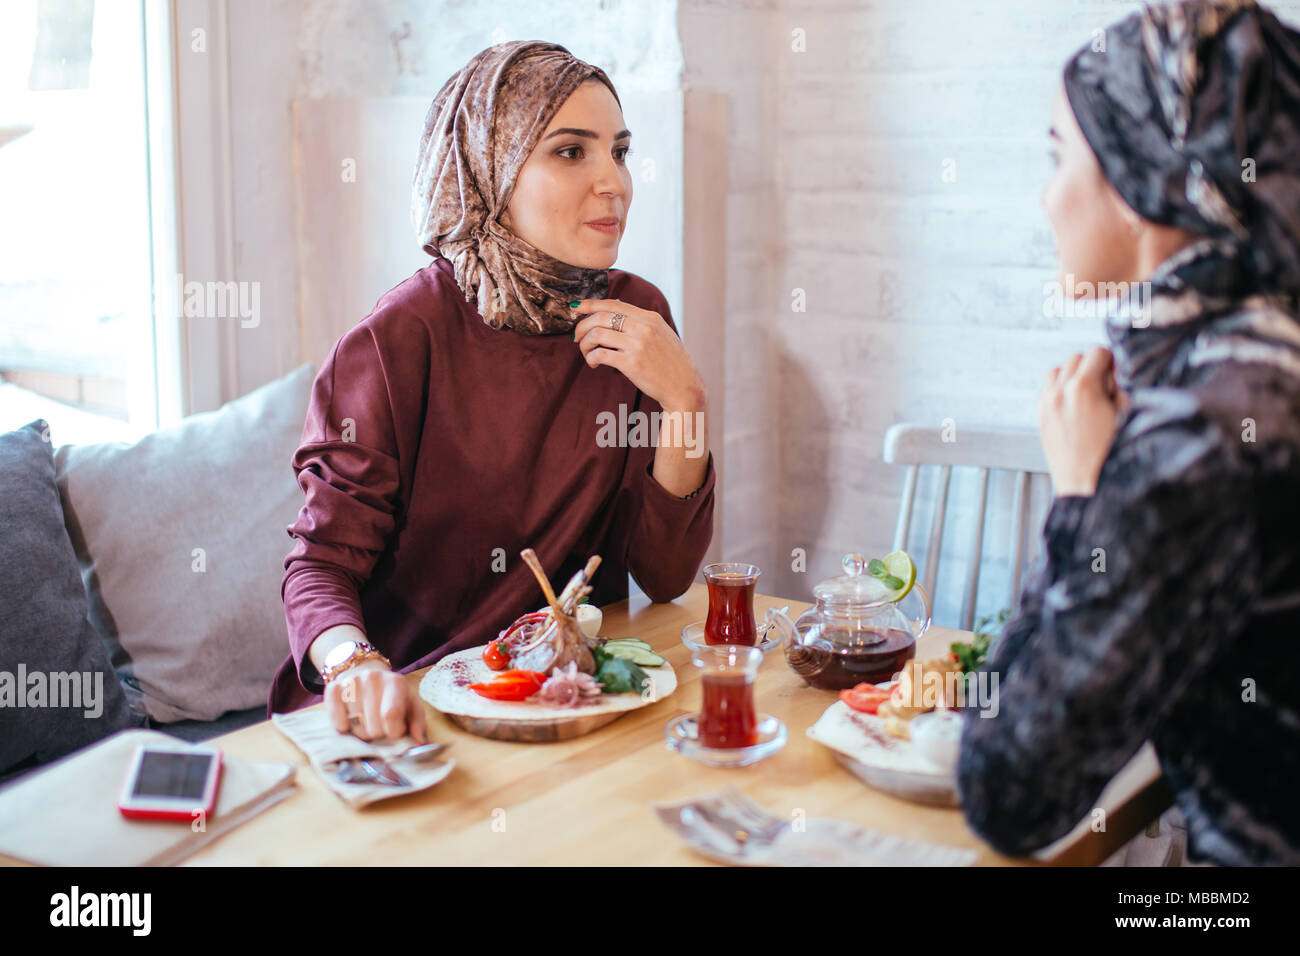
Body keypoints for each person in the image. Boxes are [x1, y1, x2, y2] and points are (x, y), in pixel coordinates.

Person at [267, 41, 716, 744]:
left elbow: (663, 575)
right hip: (402, 712)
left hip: (561, 709)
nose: (615, 183)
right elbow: (319, 568)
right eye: (572, 152)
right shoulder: (398, 339)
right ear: (490, 170)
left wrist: (686, 401)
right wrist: (356, 666)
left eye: (620, 152)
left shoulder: (635, 320)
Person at [958, 0, 1300, 865]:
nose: (1045, 193)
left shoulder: (1203, 432)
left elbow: (1009, 788)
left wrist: (1081, 497)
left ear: (1140, 179)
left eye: (1057, 156)